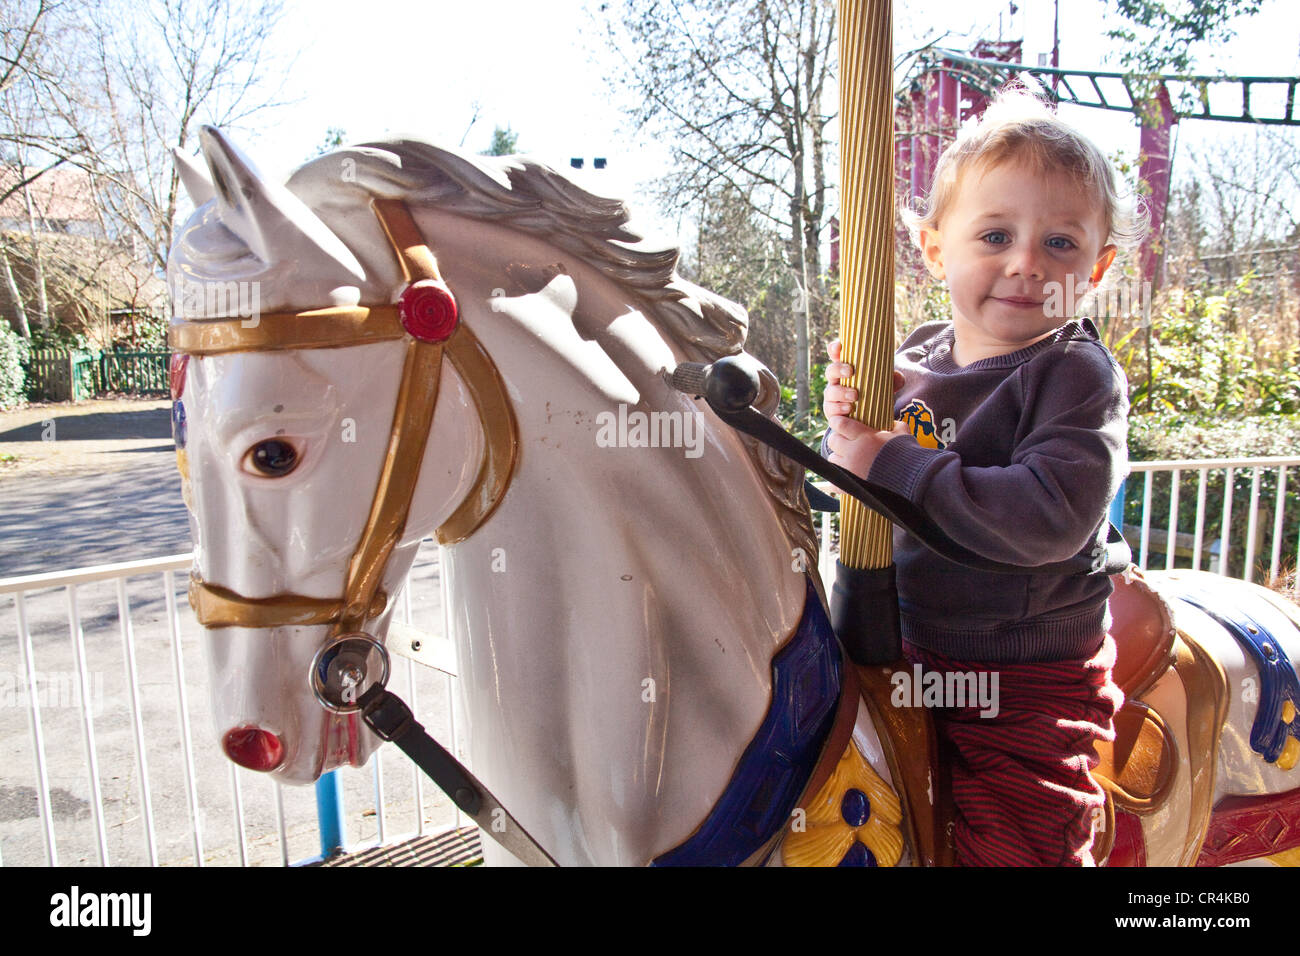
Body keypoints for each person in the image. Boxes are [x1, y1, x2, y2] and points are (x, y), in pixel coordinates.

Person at [822, 89, 1143, 866]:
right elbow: (855, 477)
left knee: (1016, 846)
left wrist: (886, 457)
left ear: (1097, 267)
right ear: (936, 250)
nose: (1027, 263)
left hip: (1020, 672)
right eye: (996, 234)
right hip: (895, 643)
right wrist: (844, 433)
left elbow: (1047, 516)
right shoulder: (910, 364)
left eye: (1061, 244)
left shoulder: (1073, 373)